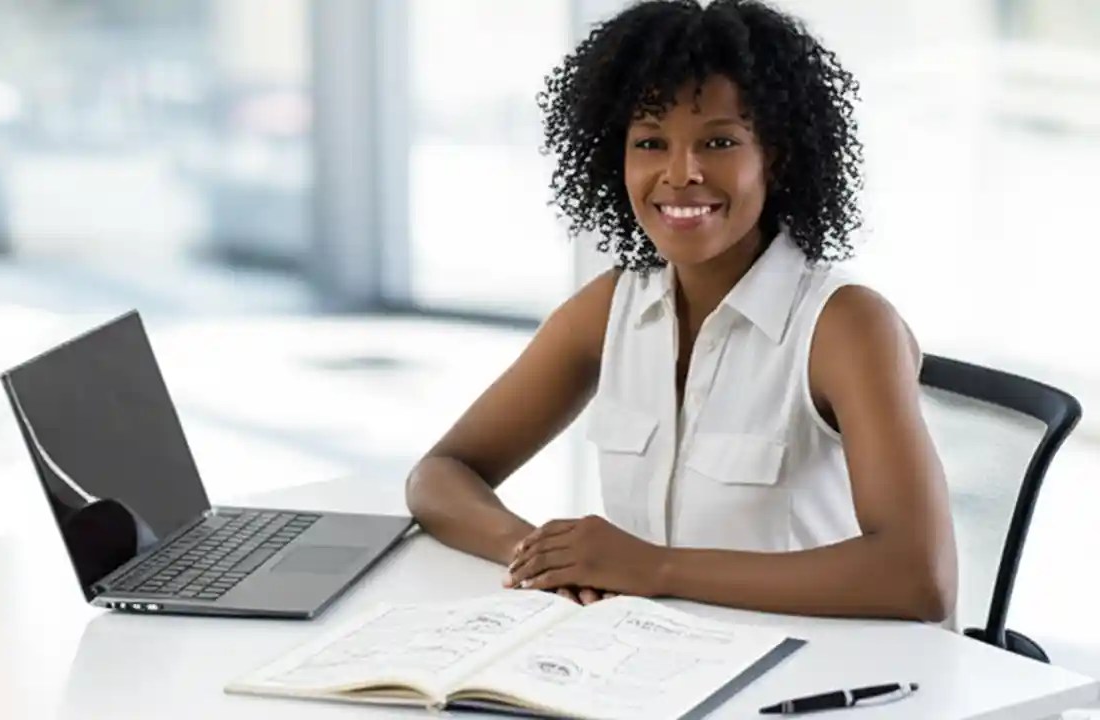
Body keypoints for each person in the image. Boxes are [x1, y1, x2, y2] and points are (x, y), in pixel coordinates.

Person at [404, 0, 957, 622]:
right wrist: (540, 556)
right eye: (650, 142)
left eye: (719, 141)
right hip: (655, 664)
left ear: (772, 157)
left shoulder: (847, 326)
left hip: (810, 680)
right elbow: (440, 475)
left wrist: (653, 567)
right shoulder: (613, 307)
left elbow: (919, 577)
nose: (680, 172)